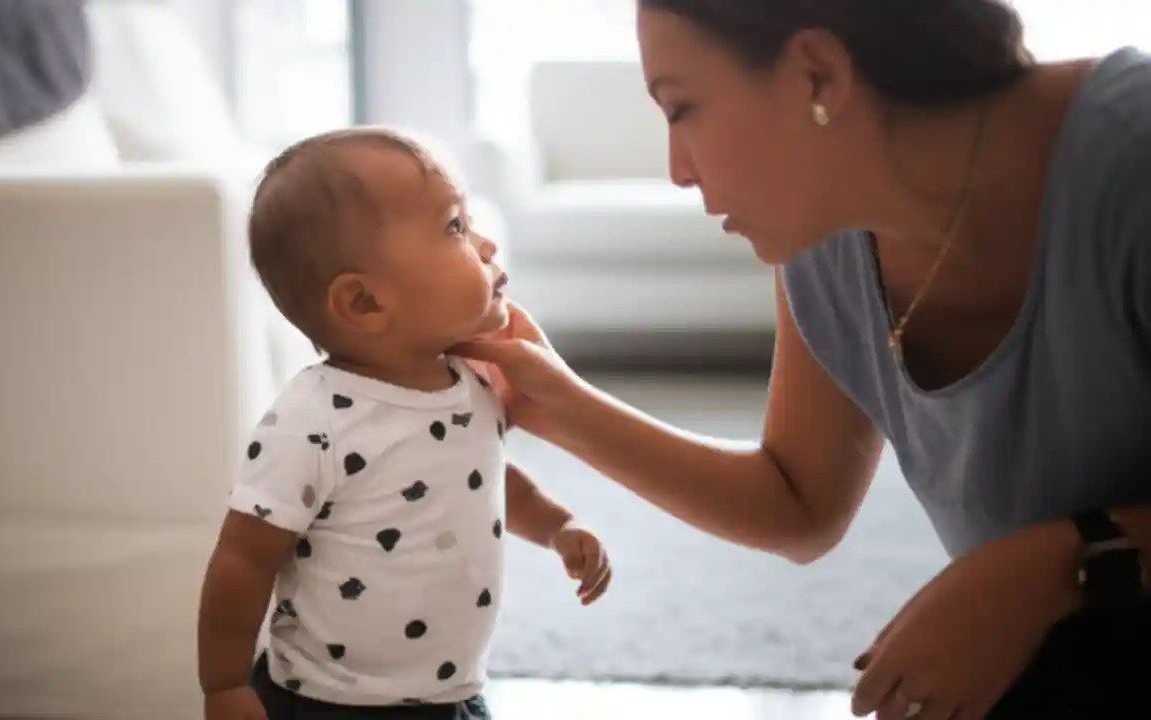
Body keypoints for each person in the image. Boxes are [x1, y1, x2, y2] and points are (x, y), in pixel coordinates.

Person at [453, 1, 1151, 718]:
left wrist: (1057, 562)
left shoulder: (1133, 158)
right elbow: (798, 502)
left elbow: (1053, 576)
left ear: (818, 74)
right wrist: (554, 403)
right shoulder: (835, 226)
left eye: (682, 107)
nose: (677, 170)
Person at [197, 128, 612, 720]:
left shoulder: (471, 378)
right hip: (329, 702)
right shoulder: (312, 421)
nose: (488, 245)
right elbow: (244, 558)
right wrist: (225, 685)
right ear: (365, 303)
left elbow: (480, 474)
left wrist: (555, 525)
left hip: (452, 695)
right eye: (455, 228)